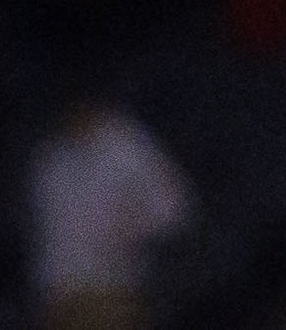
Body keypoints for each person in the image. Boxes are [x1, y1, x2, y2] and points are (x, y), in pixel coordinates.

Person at [30, 93, 191, 330]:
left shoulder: (126, 147)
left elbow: (174, 209)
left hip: (113, 290)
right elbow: (46, 237)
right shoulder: (52, 157)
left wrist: (132, 228)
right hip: (61, 296)